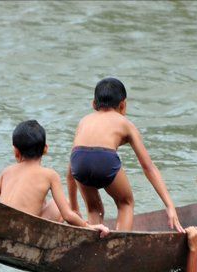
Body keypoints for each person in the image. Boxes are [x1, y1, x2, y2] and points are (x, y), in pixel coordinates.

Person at [67, 77, 184, 233]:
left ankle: (93, 245)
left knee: (94, 208)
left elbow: (70, 169)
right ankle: (119, 245)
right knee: (125, 203)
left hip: (78, 160)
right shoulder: (125, 124)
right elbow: (148, 167)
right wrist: (169, 205)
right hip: (104, 159)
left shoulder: (84, 121)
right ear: (123, 105)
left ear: (93, 104)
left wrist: (74, 208)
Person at [0, 120, 109, 236]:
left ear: (16, 151)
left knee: (42, 201)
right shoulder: (49, 174)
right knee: (66, 204)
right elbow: (67, 214)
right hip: (26, 233)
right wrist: (88, 226)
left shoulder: (7, 171)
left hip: (3, 229)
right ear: (45, 149)